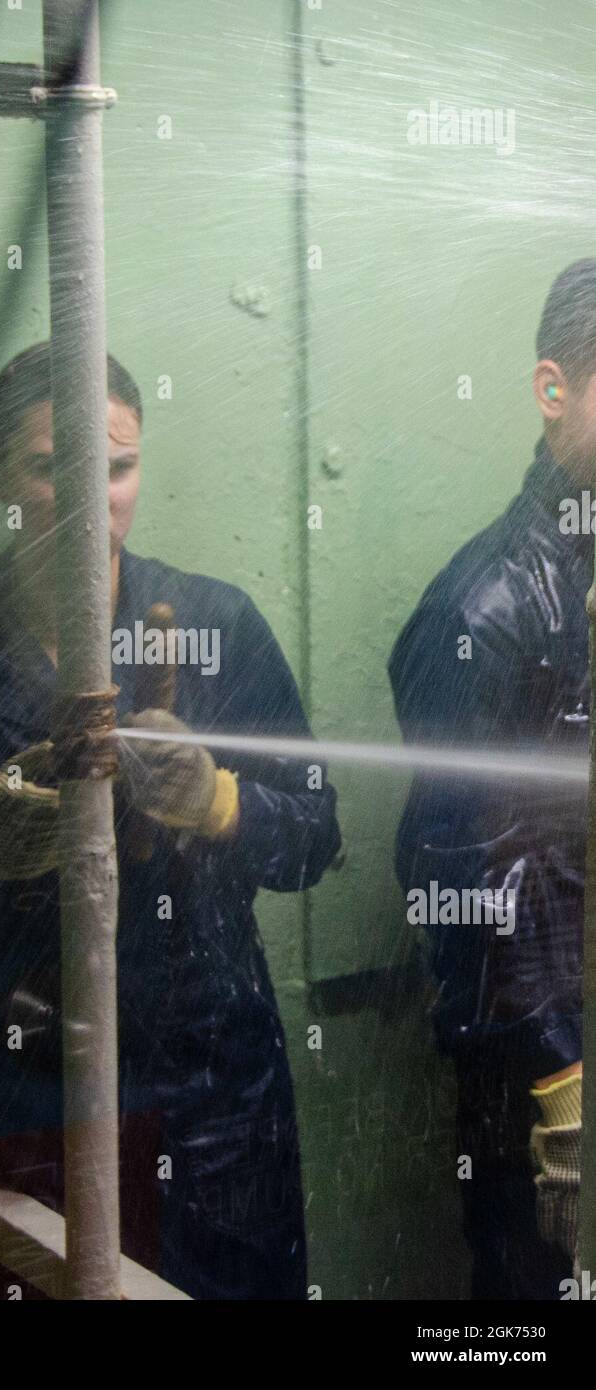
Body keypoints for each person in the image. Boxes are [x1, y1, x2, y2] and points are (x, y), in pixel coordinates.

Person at [0, 341, 341, 1300]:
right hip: (41, 1093)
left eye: (117, 469)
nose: (93, 501)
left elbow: (315, 837)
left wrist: (219, 801)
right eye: (53, 470)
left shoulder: (216, 625)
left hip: (219, 1098)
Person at [388, 260, 595, 1300]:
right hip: (534, 1071)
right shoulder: (478, 609)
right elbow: (457, 867)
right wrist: (557, 1078)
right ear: (552, 390)